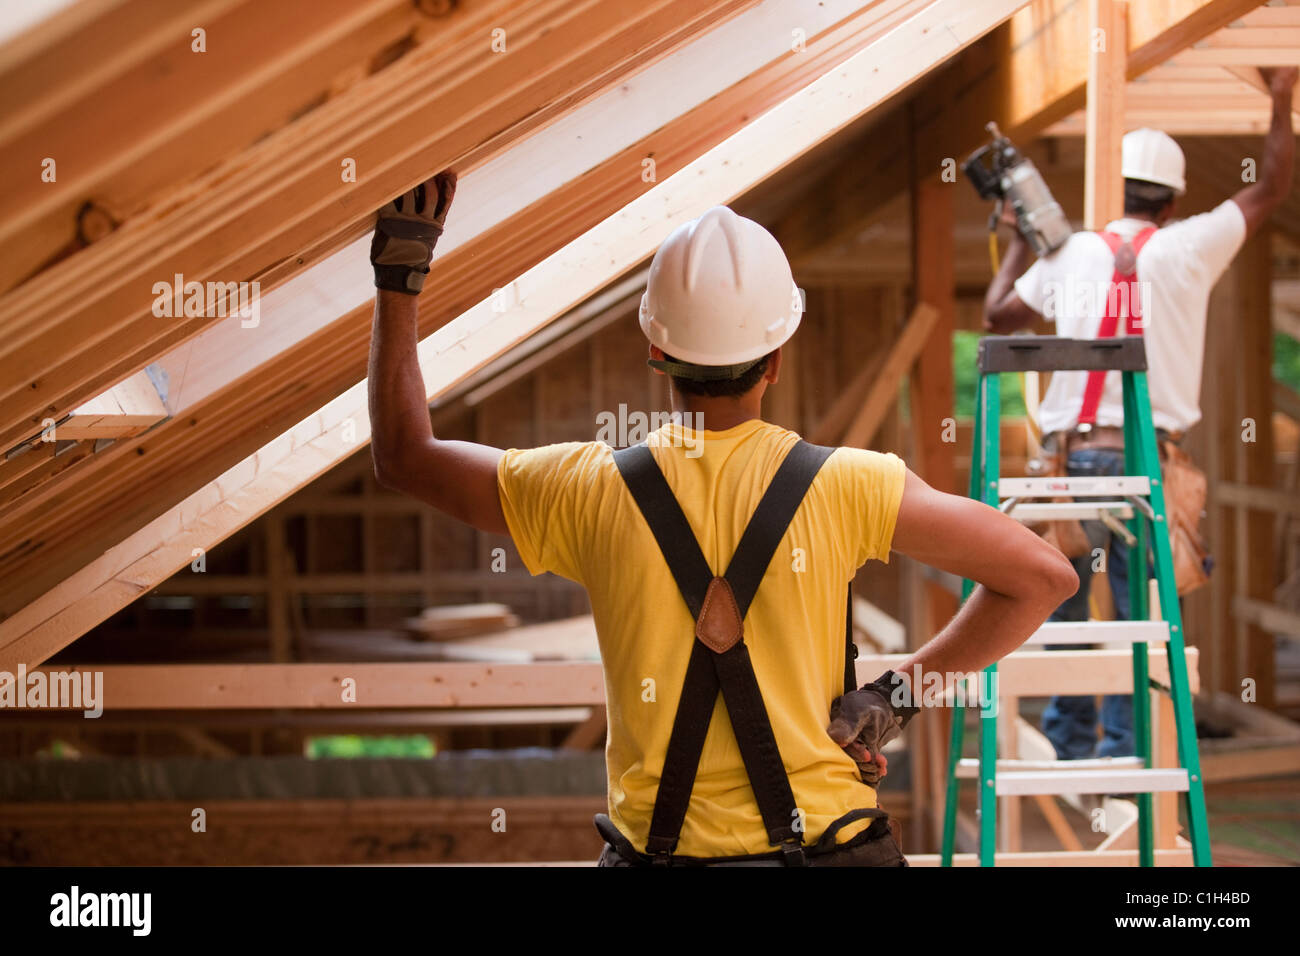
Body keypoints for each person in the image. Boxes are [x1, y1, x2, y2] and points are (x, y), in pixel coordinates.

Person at [367, 180, 1077, 865]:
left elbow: (404, 455)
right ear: (776, 357)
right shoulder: (848, 484)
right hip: (832, 848)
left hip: (661, 853)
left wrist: (400, 275)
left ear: (655, 353)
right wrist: (894, 696)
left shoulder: (586, 489)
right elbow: (1043, 577)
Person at [982, 68, 1296, 760]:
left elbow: (998, 316)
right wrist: (1280, 97)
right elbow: (1271, 187)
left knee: (1060, 600)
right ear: (1175, 198)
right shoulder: (1191, 246)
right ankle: (1123, 750)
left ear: (1112, 188)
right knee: (1140, 615)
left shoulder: (1070, 251)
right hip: (1148, 465)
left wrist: (1019, 238)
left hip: (1067, 465)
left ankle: (1067, 739)